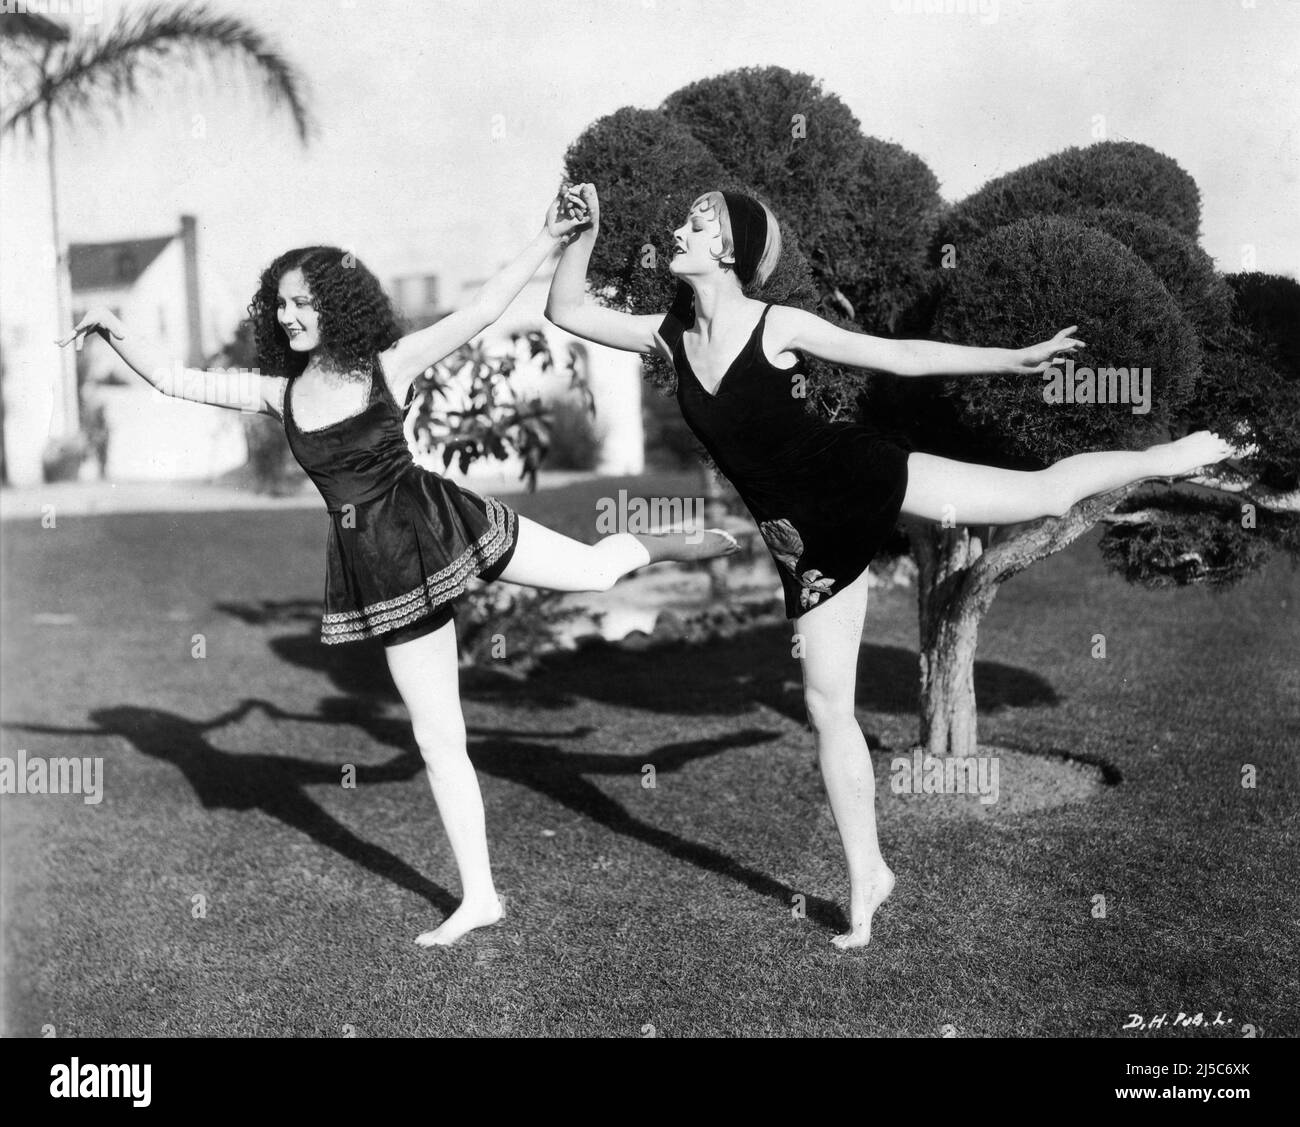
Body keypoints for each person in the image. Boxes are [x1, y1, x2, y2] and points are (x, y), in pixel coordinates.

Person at [545, 183, 1244, 949]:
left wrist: (1015, 358)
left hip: (860, 475)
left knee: (1042, 495)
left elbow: (901, 356)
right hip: (804, 545)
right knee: (826, 708)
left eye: (698, 221)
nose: (679, 228)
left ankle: (1168, 457)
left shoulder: (780, 324)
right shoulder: (667, 335)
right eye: (682, 218)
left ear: (730, 250)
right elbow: (568, 311)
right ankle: (868, 875)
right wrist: (586, 232)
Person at [57, 192, 738, 947]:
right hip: (383, 570)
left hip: (447, 522)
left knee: (593, 573)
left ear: (336, 304)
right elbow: (176, 380)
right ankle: (481, 896)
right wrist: (117, 333)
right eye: (280, 304)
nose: (289, 316)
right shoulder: (280, 394)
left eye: (303, 301)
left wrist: (547, 234)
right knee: (437, 738)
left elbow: (479, 311)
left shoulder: (390, 365)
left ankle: (667, 537)